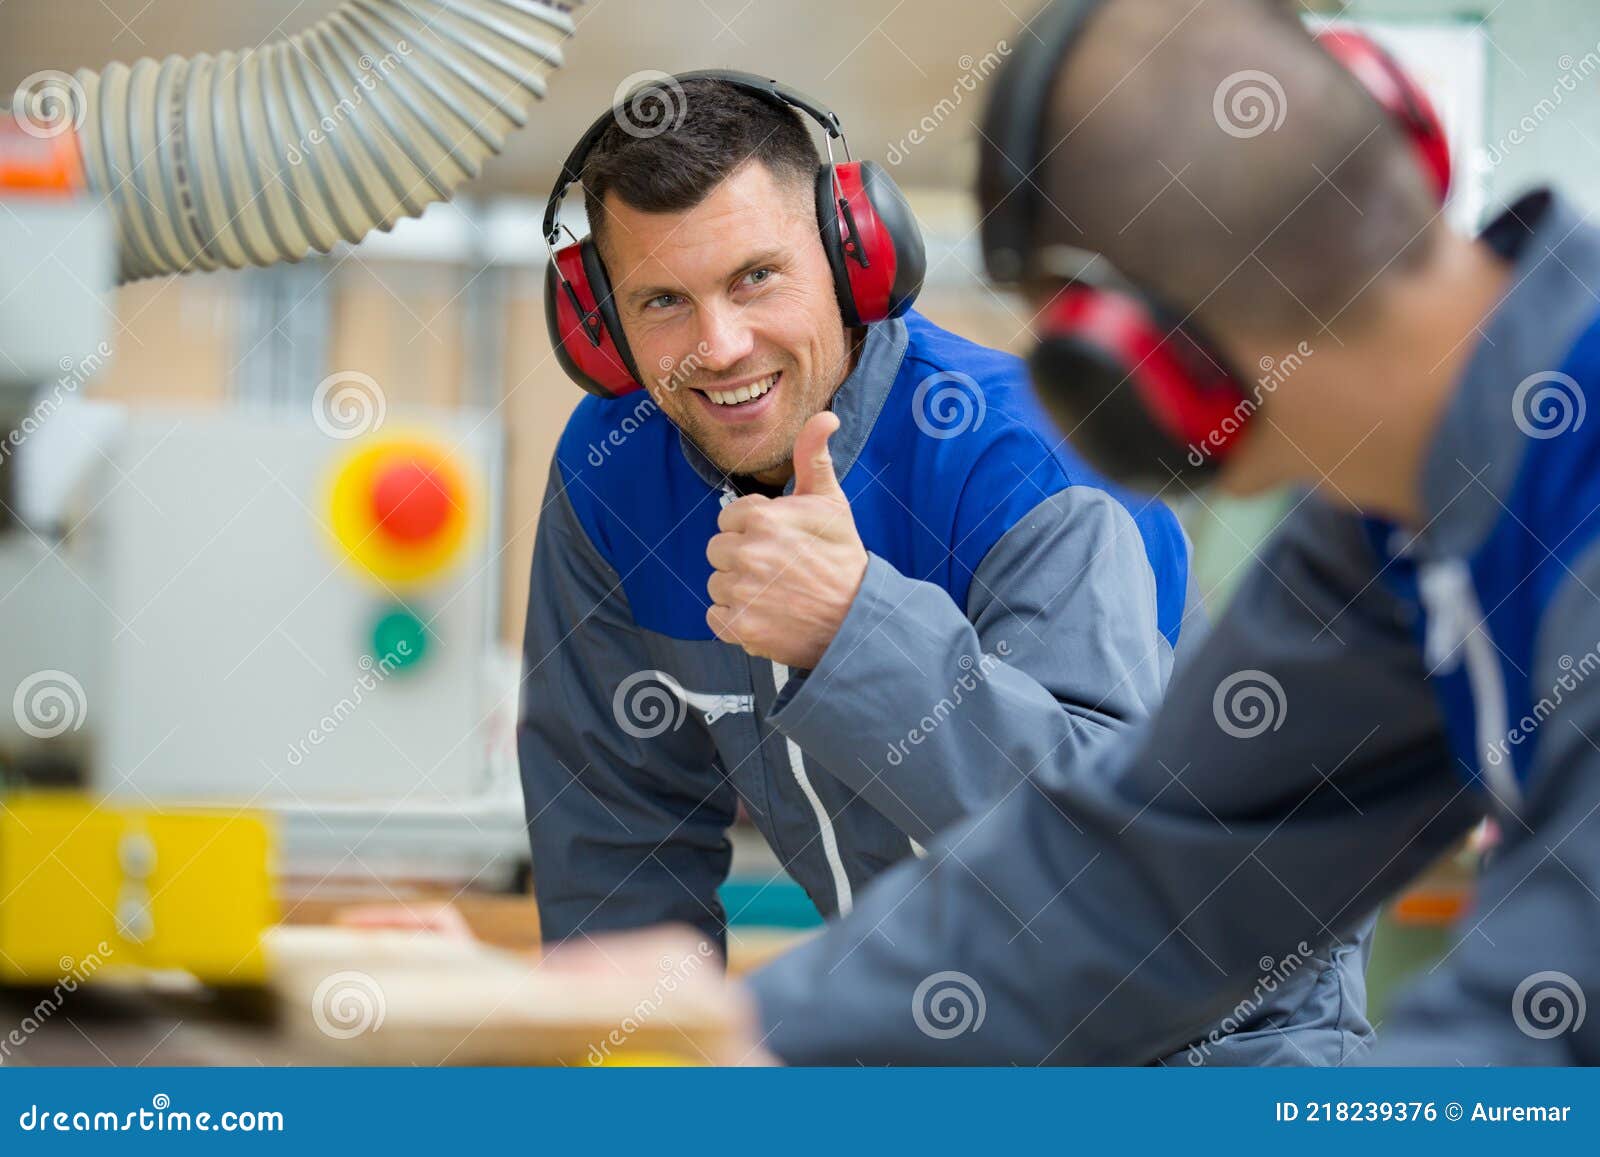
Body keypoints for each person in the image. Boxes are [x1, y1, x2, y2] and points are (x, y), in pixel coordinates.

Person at [727, 0, 1600, 1065]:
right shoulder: (1392, 531)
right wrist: (732, 1034)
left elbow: (1540, 1017)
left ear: (1135, 356)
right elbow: (1148, 869)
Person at [517, 68, 1368, 1051]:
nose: (720, 343)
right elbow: (619, 854)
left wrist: (856, 631)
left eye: (755, 277)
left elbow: (1111, 854)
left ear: (850, 257)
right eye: (663, 299)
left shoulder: (1037, 461)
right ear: (598, 322)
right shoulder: (610, 478)